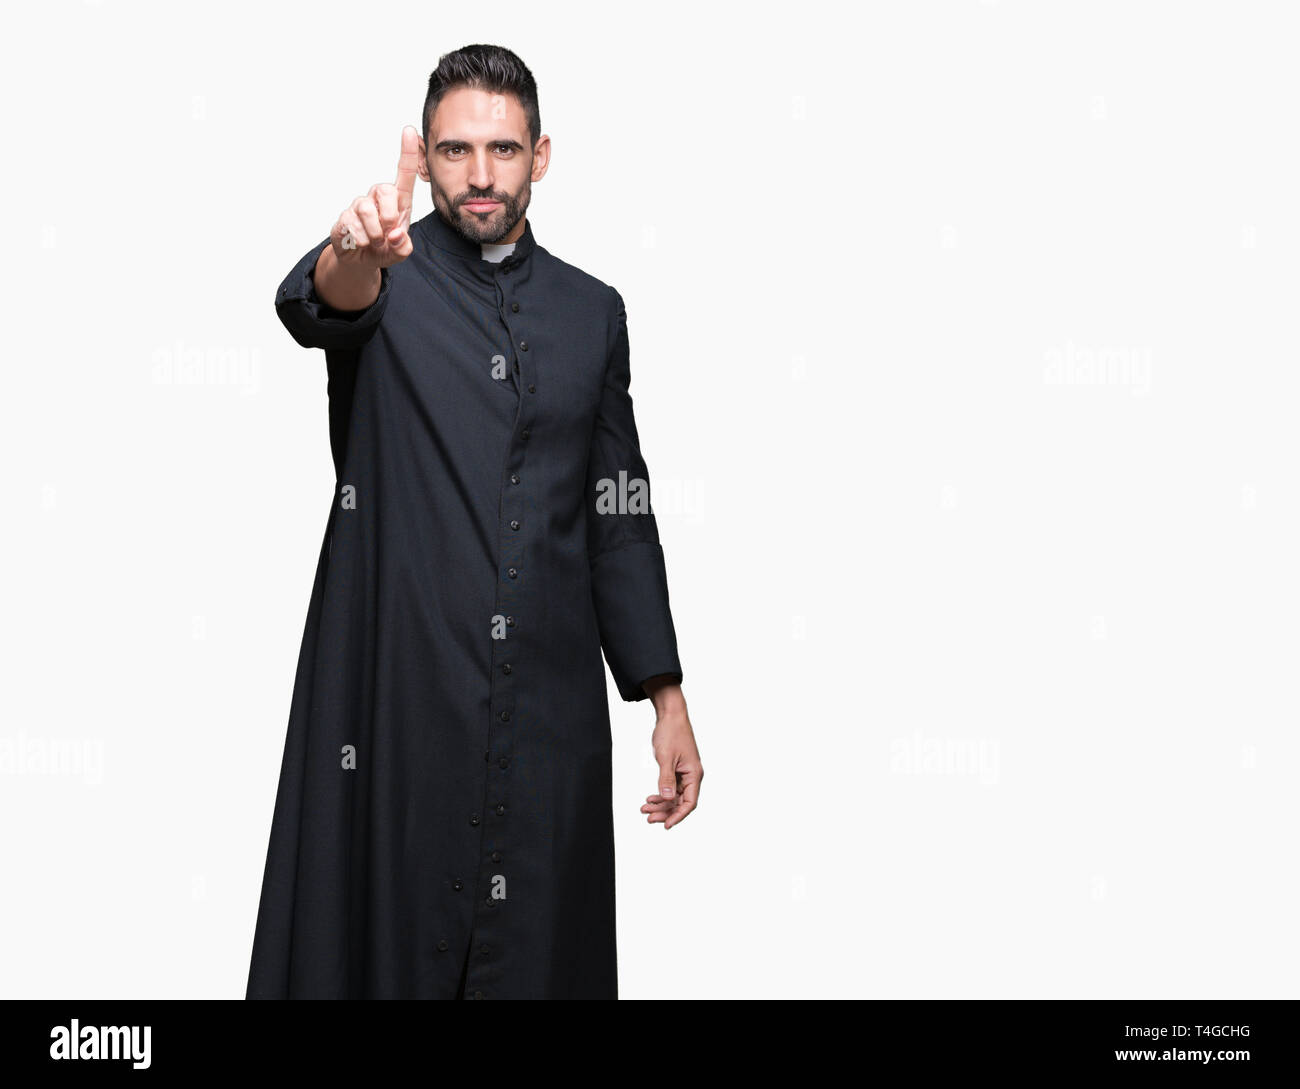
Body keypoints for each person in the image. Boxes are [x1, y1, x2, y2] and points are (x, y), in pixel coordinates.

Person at [245, 43, 701, 1000]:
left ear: (542, 155)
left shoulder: (594, 311)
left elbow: (621, 503)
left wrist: (664, 693)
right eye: (454, 152)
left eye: (502, 149)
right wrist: (349, 252)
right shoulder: (386, 274)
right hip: (400, 704)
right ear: (426, 154)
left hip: (548, 710)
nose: (480, 176)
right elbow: (322, 304)